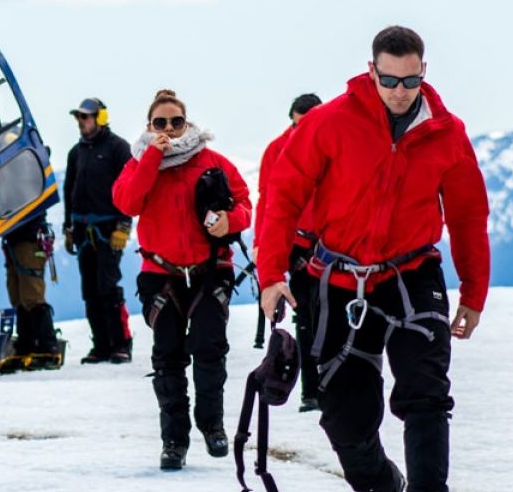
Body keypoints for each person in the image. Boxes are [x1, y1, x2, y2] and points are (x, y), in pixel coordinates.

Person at [257, 26, 489, 492]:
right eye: (389, 79)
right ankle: (381, 491)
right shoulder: (327, 123)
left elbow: (469, 214)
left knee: (427, 401)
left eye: (409, 80)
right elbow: (283, 197)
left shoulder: (446, 131)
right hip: (339, 280)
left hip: (412, 275)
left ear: (423, 72)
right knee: (343, 415)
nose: (400, 90)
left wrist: (474, 291)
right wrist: (271, 273)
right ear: (372, 71)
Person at [112, 89, 251, 470]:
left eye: (176, 122)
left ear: (187, 123)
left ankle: (212, 426)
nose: (170, 129)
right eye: (161, 123)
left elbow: (244, 204)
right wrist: (153, 155)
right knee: (168, 358)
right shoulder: (139, 162)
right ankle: (174, 441)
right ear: (149, 126)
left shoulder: (212, 160)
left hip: (211, 268)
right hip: (162, 274)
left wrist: (231, 221)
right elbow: (127, 202)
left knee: (209, 350)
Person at [253, 92, 323, 413]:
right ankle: (312, 389)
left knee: (330, 314)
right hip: (299, 244)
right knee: (306, 315)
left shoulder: (332, 145)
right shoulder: (276, 150)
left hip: (330, 242)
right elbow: (267, 201)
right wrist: (262, 243)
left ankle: (326, 386)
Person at [62, 97, 134, 364]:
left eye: (85, 117)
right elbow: (69, 191)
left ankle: (121, 344)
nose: (81, 122)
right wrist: (68, 227)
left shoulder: (118, 148)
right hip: (82, 231)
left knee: (107, 287)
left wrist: (124, 226)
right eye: (79, 117)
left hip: (109, 229)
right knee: (90, 291)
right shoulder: (76, 152)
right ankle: (101, 345)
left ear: (100, 118)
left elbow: (130, 188)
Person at [0, 212, 62, 372]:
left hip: (30, 237)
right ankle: (26, 347)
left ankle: (47, 349)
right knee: (18, 297)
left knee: (32, 296)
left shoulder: (25, 187)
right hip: (14, 237)